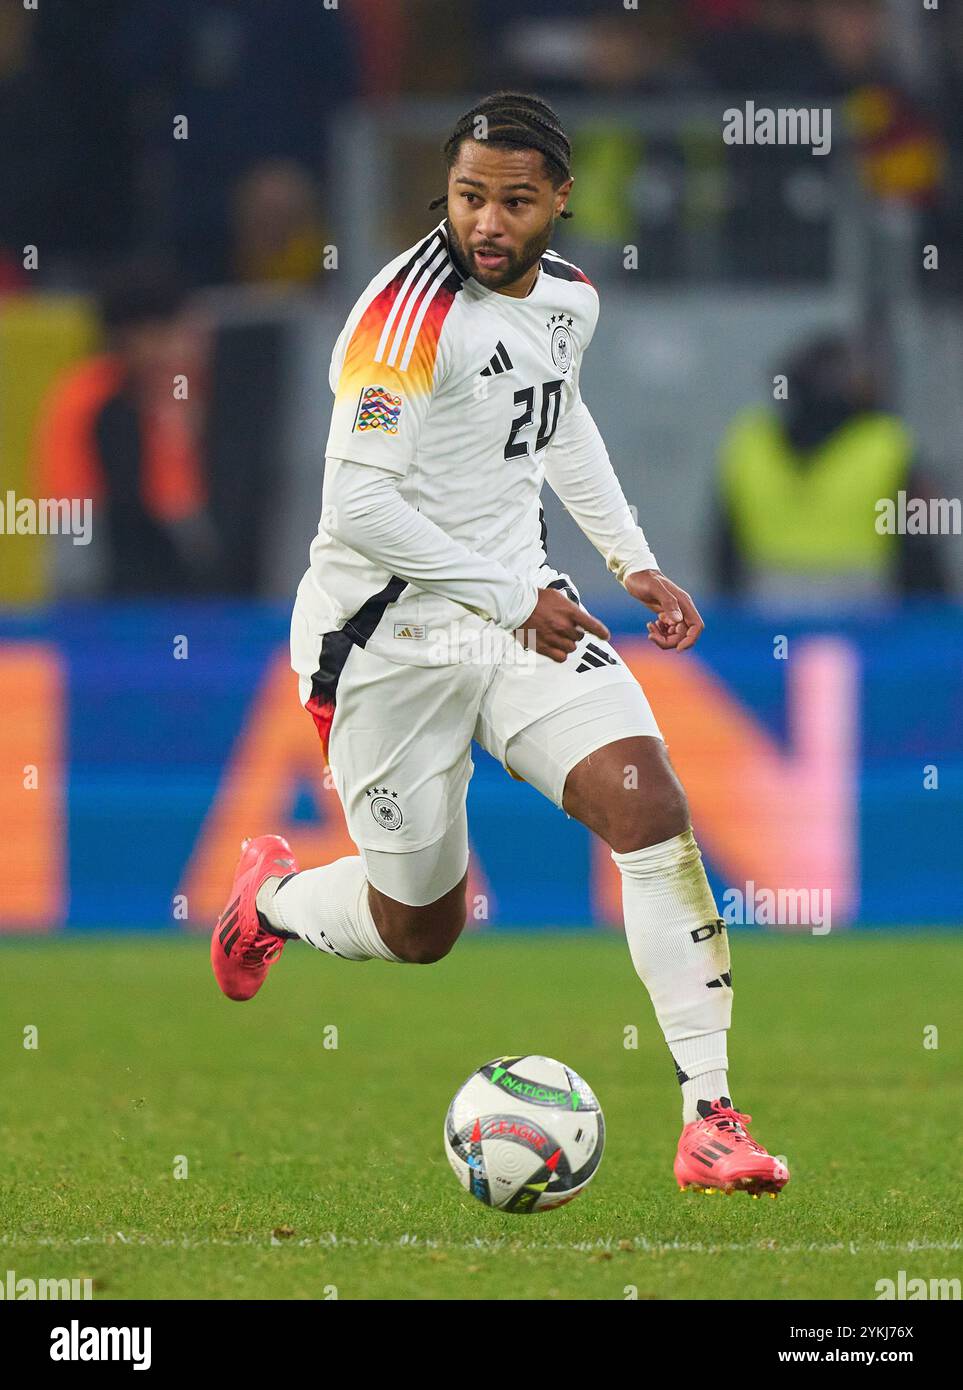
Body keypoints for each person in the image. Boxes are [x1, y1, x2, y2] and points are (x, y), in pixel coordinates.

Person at [210, 92, 789, 1200]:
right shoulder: (401, 320)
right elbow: (360, 513)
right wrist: (511, 591)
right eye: (470, 195)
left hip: (523, 615)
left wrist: (629, 560)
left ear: (560, 203)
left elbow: (558, 413)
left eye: (514, 201)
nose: (487, 221)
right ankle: (272, 900)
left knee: (648, 801)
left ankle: (709, 1117)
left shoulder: (569, 299)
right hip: (386, 643)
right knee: (421, 925)